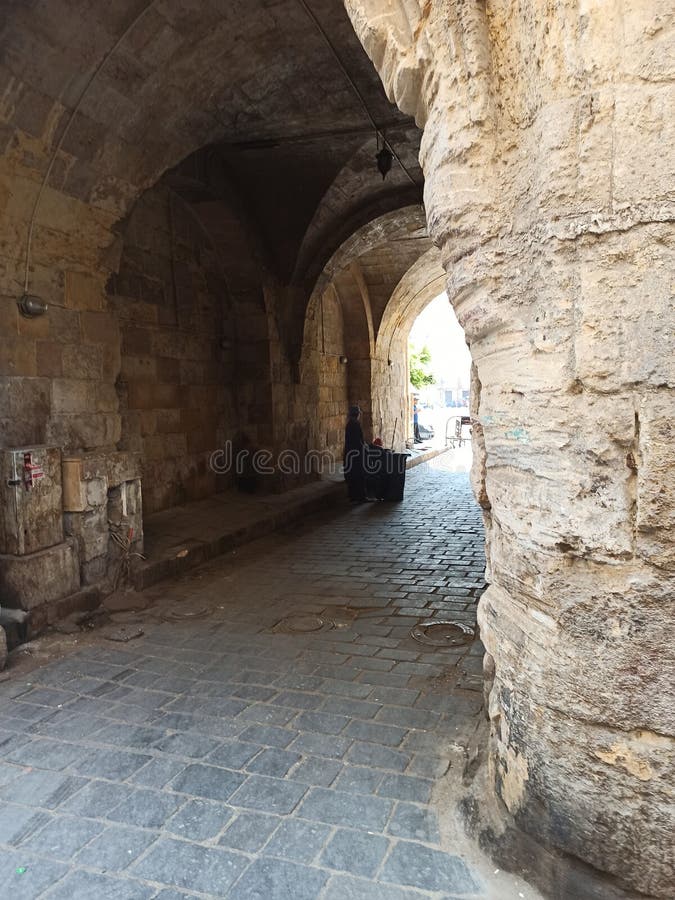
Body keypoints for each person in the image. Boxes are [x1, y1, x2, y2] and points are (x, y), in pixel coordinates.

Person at [343, 405, 371, 502]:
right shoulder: (355, 424)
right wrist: (365, 448)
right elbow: (359, 440)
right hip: (356, 453)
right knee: (359, 474)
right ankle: (361, 496)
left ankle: (353, 496)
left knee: (352, 474)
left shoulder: (349, 423)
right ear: (357, 414)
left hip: (350, 453)